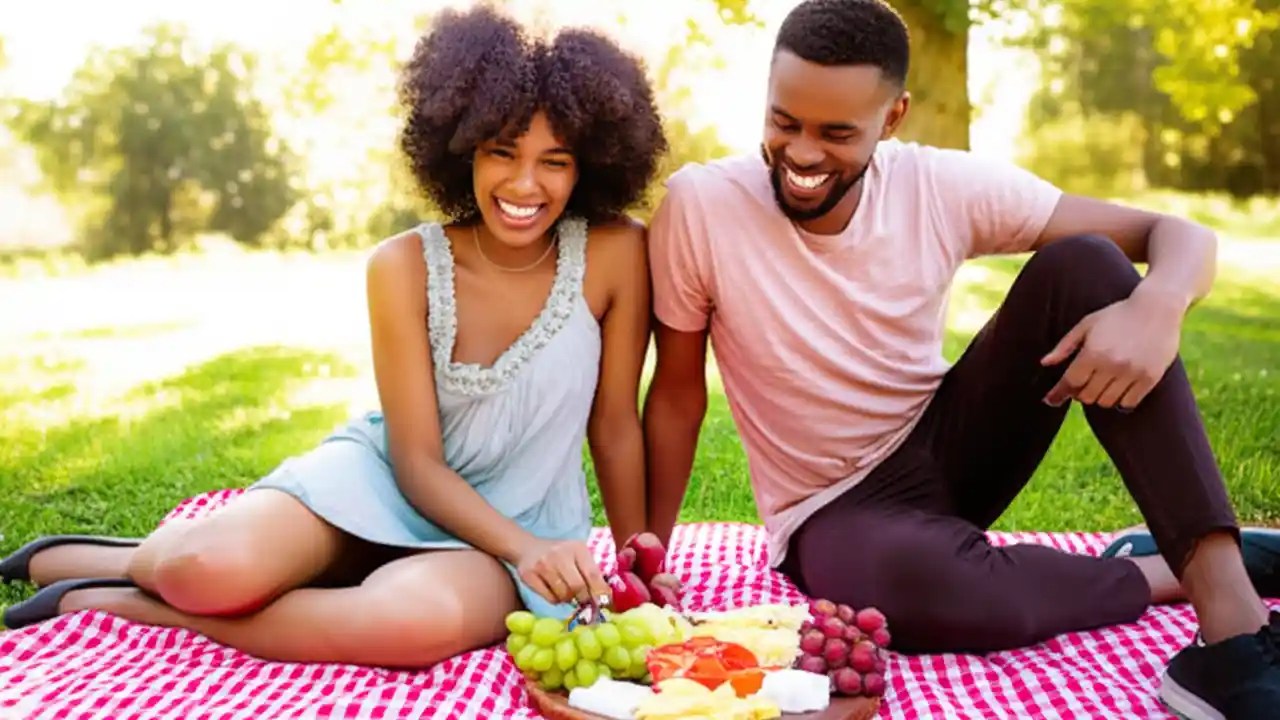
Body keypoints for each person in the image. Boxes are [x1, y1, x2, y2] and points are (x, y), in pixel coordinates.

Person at [641, 0, 1279, 716]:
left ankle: (1230, 631)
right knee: (920, 590)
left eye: (837, 132)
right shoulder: (701, 207)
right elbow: (675, 393)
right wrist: (652, 552)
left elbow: (1178, 234)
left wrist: (1159, 308)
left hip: (950, 449)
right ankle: (1167, 567)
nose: (804, 155)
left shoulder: (936, 187)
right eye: (784, 122)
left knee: (1088, 267)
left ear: (894, 116)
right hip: (831, 515)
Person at [1, 5, 665, 668]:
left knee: (409, 626)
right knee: (204, 568)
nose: (526, 183)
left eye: (555, 161)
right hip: (385, 483)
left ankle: (117, 604)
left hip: (517, 529)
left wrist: (635, 554)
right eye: (502, 152)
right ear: (460, 146)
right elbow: (416, 463)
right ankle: (132, 562)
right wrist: (530, 554)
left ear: (587, 166)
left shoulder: (614, 254)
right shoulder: (402, 266)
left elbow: (613, 424)